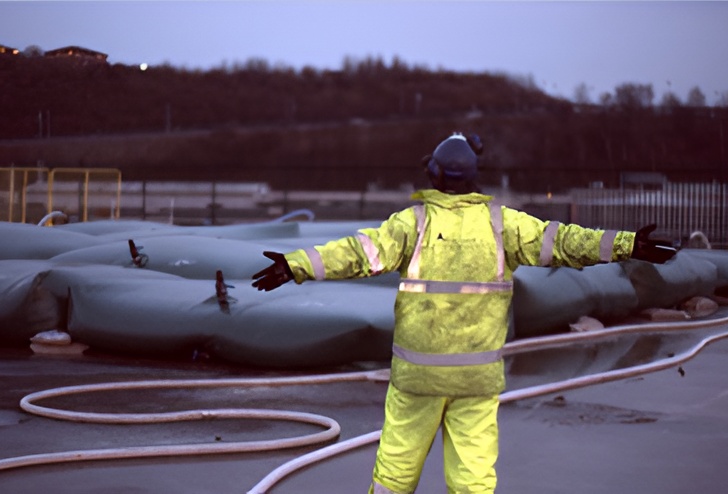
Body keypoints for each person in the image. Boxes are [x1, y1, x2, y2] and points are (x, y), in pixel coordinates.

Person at [252, 132, 675, 494]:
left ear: (433, 176)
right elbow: (565, 241)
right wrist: (627, 244)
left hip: (418, 377)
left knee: (395, 474)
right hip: (477, 377)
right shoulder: (502, 224)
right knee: (473, 479)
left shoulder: (412, 224)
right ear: (474, 178)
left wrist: (295, 264)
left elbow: (356, 253)